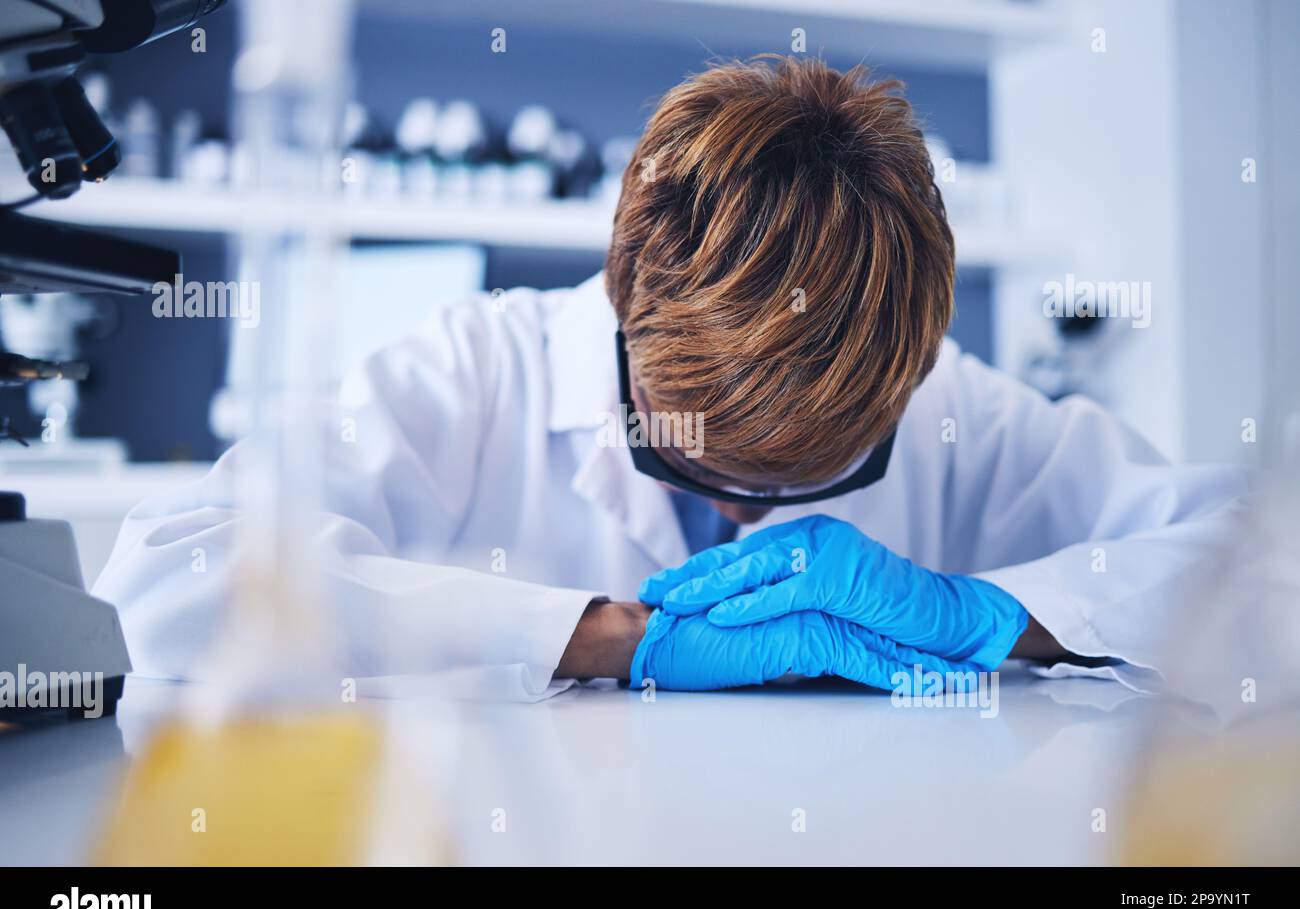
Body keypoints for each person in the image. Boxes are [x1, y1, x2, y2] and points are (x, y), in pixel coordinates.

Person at [94, 57, 1246, 700]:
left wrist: (1005, 617)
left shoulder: (955, 408)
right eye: (692, 457)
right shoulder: (476, 370)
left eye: (811, 479)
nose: (746, 517)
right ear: (624, 310)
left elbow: (1262, 568)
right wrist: (600, 635)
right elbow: (174, 576)